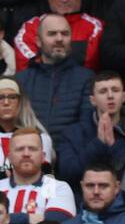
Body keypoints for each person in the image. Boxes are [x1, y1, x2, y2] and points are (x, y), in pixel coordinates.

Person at [15, 13, 94, 153]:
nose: (59, 39)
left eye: (65, 34)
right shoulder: (21, 80)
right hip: (30, 158)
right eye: (52, 34)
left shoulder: (86, 78)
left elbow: (86, 126)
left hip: (71, 159)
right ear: (38, 41)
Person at [57, 69, 125, 189]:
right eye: (103, 91)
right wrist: (98, 144)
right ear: (92, 100)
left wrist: (113, 147)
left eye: (115, 90)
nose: (110, 96)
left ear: (123, 96)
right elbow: (68, 174)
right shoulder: (72, 134)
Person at [14, 0, 104, 72]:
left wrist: (48, 57)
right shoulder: (31, 26)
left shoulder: (95, 27)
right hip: (40, 85)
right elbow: (27, 64)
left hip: (81, 85)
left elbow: (91, 62)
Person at [0, 127, 74, 224]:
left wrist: (5, 219)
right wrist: (28, 218)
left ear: (43, 156)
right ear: (9, 158)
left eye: (32, 149)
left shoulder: (57, 187)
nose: (26, 154)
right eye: (19, 149)